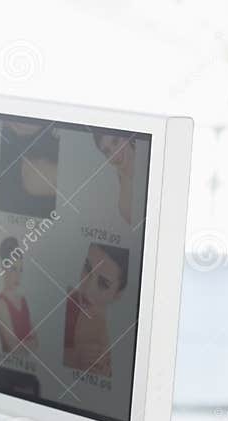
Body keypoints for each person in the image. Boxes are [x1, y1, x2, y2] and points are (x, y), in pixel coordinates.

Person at [63, 242, 128, 377]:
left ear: (118, 294)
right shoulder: (65, 302)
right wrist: (74, 359)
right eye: (87, 268)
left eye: (103, 284)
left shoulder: (119, 339)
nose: (88, 290)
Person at [0, 237, 38, 354]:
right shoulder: (1, 304)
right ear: (3, 267)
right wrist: (30, 344)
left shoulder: (23, 300)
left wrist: (28, 345)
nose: (18, 276)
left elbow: (37, 342)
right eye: (13, 269)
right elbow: (14, 348)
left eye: (20, 270)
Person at [92, 131, 136, 225]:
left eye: (115, 142)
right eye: (107, 151)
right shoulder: (111, 188)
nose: (115, 154)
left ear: (126, 138)